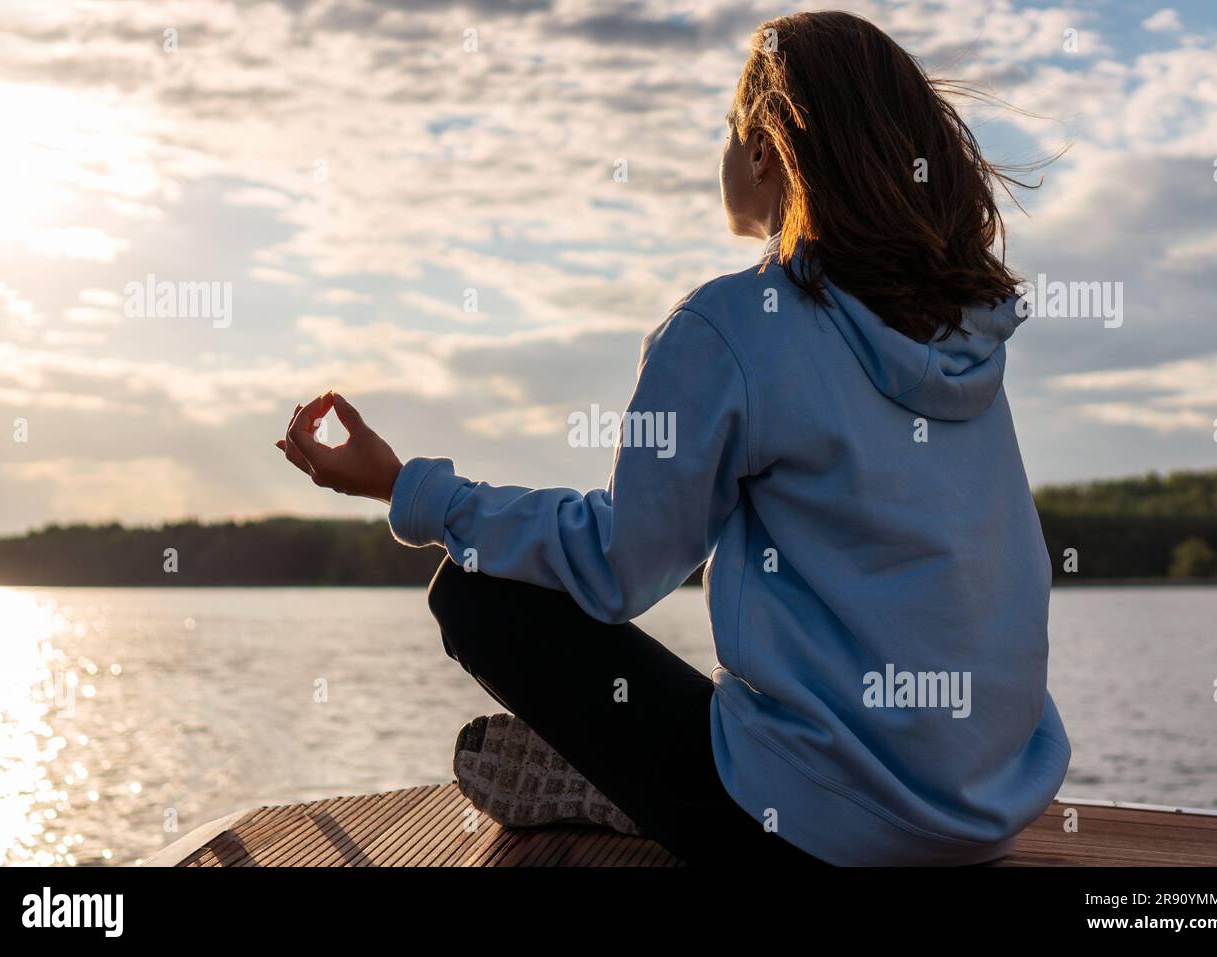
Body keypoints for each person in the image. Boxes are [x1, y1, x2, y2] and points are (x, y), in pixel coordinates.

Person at [276, 11, 1071, 867]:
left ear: (763, 150)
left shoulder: (734, 325)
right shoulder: (960, 337)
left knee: (479, 595)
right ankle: (646, 780)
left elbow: (619, 566)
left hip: (809, 835)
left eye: (728, 130)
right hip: (986, 822)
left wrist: (405, 488)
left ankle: (632, 789)